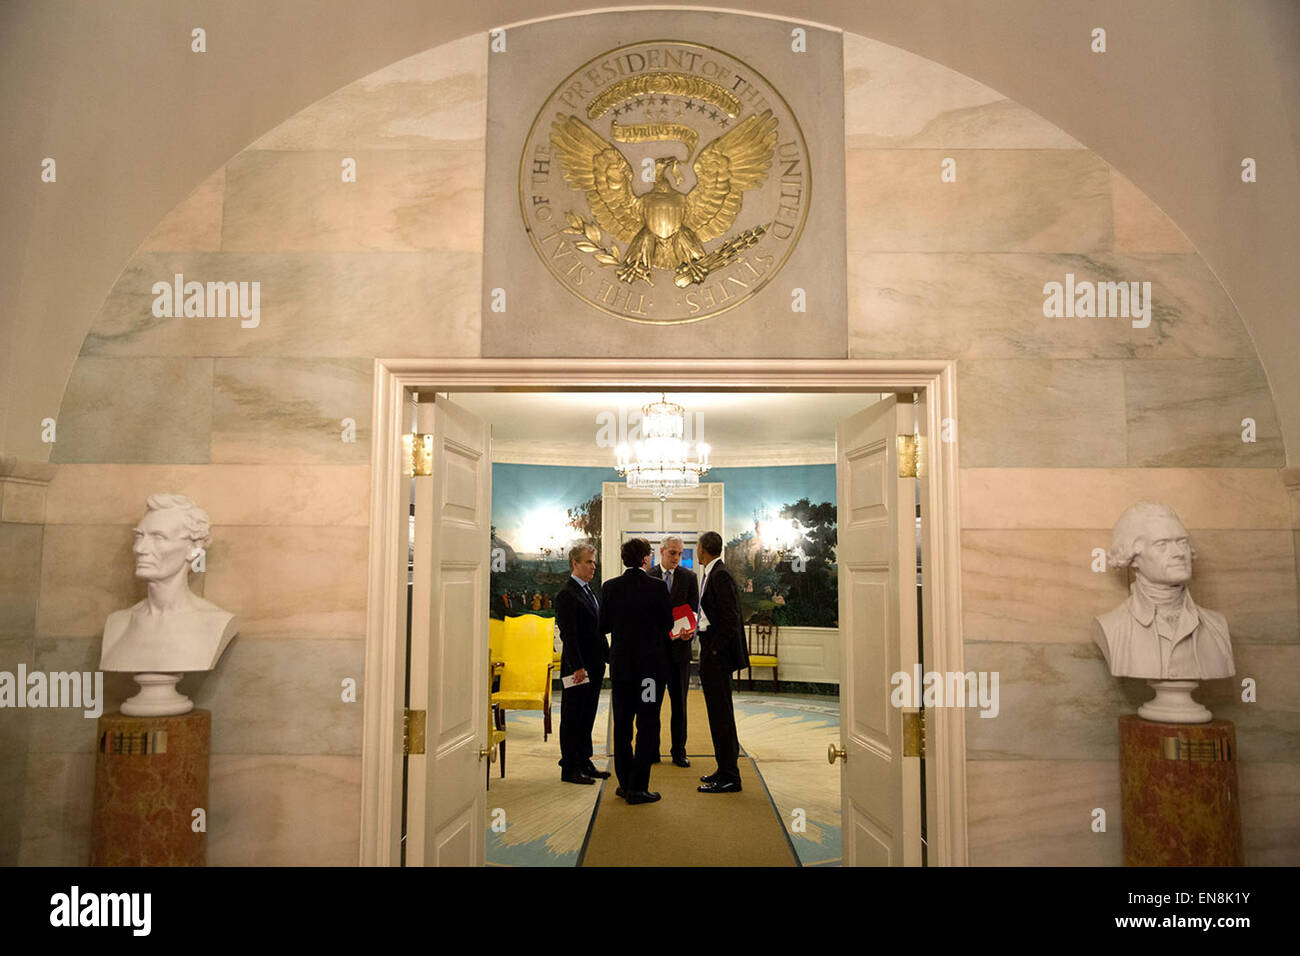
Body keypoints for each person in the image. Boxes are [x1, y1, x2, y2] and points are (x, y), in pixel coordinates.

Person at [1092, 502, 1234, 680]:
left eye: (1182, 542)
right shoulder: (1112, 627)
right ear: (1133, 557)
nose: (1179, 553)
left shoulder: (1217, 626)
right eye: (1162, 544)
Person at [601, 537, 674, 804]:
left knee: (621, 725)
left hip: (621, 671)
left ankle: (624, 783)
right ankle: (638, 787)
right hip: (649, 674)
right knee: (647, 724)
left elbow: (604, 627)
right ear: (646, 558)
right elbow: (668, 622)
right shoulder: (657, 587)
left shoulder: (610, 587)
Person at [694, 531, 750, 794]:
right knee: (718, 717)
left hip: (718, 658)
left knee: (722, 717)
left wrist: (714, 650)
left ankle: (730, 776)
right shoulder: (713, 573)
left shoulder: (720, 574)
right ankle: (723, 768)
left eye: (697, 547)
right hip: (712, 655)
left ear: (703, 549)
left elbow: (729, 618)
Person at [554, 543, 609, 785]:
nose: (593, 566)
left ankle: (584, 760)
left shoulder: (589, 591)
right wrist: (578, 667)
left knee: (588, 714)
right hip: (578, 668)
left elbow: (596, 630)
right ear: (575, 564)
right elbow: (569, 634)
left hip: (594, 665)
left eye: (594, 562)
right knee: (573, 715)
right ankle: (570, 767)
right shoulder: (567, 594)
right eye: (588, 562)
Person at [647, 535, 699, 767]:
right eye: (672, 553)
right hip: (654, 655)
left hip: (680, 653)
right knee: (652, 705)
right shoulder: (648, 577)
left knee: (679, 706)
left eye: (680, 553)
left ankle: (679, 752)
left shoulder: (689, 578)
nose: (677, 558)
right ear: (661, 551)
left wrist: (691, 631)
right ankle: (652, 751)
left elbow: (695, 612)